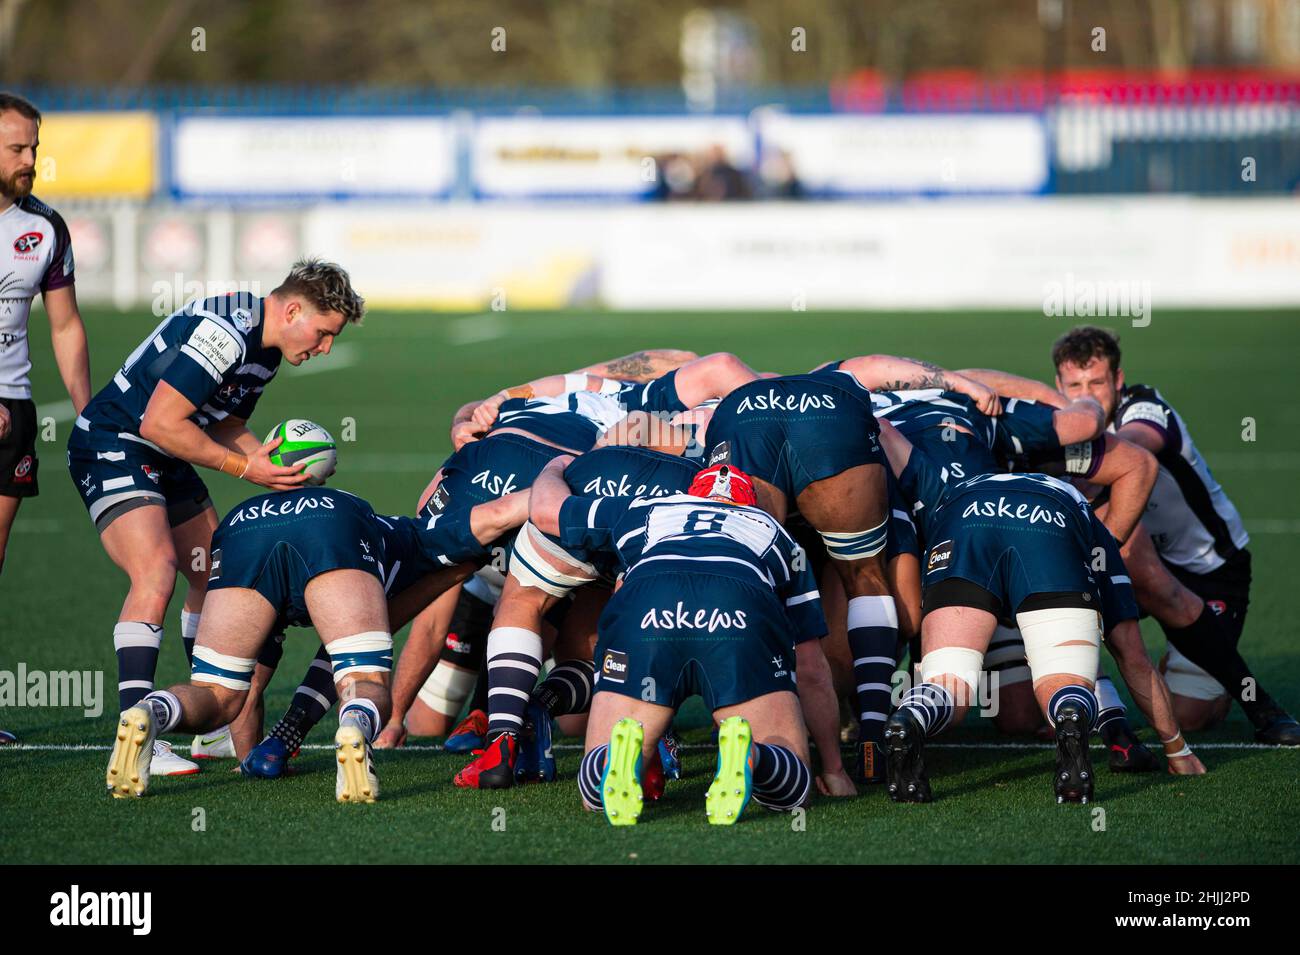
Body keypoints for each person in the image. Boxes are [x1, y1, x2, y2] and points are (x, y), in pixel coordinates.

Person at [70, 261, 363, 776]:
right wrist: (247, 467)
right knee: (156, 570)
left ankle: (211, 726)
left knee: (220, 576)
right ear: (292, 310)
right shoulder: (227, 332)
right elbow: (160, 422)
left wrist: (270, 464)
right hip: (114, 442)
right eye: (323, 334)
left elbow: (225, 423)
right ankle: (138, 733)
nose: (325, 349)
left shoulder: (267, 350)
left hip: (167, 452)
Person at [105, 484, 524, 801]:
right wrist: (549, 494)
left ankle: (152, 710)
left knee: (218, 694)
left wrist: (261, 757)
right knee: (365, 680)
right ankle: (354, 727)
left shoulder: (413, 549)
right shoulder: (419, 541)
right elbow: (497, 515)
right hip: (333, 527)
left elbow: (251, 687)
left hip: (244, 525)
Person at [529, 460, 851, 824]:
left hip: (650, 601)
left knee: (596, 796)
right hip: (736, 601)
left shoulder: (649, 508)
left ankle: (619, 759)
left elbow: (545, 511)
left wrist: (553, 468)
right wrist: (834, 767)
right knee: (793, 794)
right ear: (749, 505)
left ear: (691, 494)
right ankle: (754, 757)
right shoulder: (777, 535)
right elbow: (810, 669)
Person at [0, 92, 90, 575]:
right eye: (17, 149)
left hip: (13, 407)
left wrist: (86, 413)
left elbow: (66, 324)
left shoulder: (46, 226)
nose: (31, 160)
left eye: (35, 148)